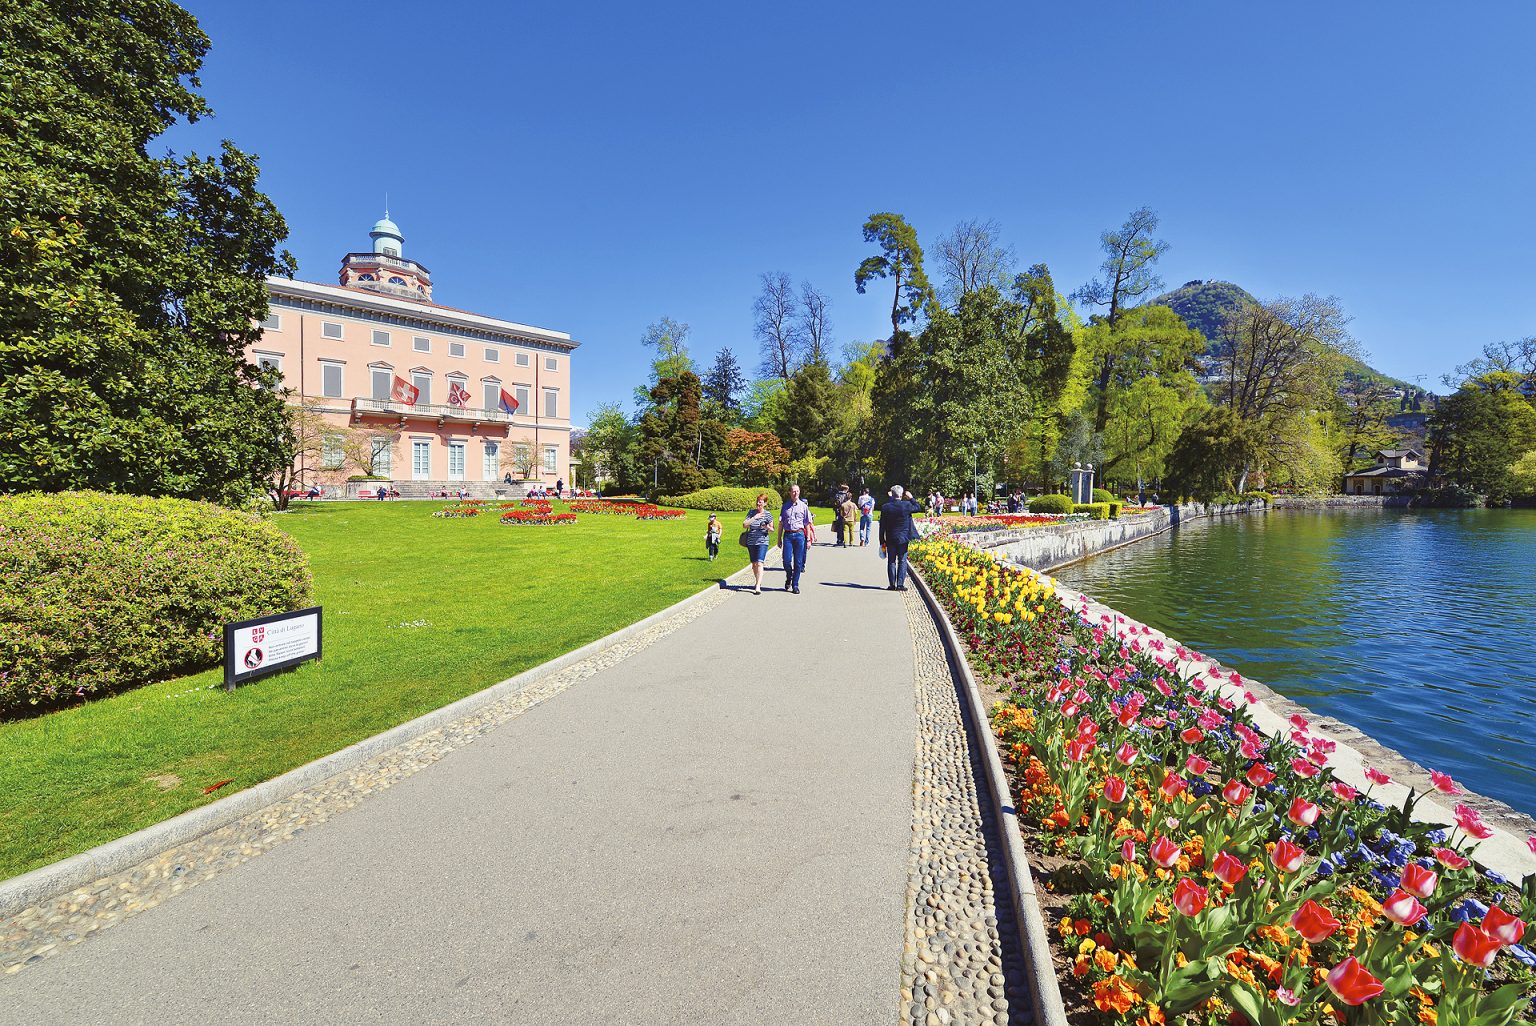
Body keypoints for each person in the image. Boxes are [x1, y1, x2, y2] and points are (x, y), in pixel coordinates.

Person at [880, 484, 923, 591]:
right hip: (903, 537)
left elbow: (882, 526)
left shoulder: (886, 507)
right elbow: (918, 508)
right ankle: (900, 584)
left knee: (891, 561)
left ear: (892, 494)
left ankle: (891, 584)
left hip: (890, 537)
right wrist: (911, 497)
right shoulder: (907, 505)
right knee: (902, 561)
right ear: (902, 494)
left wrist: (882, 540)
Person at [777, 484, 811, 594]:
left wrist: (809, 539)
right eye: (793, 491)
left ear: (799, 492)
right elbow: (781, 523)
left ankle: (795, 585)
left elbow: (807, 524)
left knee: (798, 562)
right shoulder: (785, 506)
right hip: (788, 536)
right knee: (786, 561)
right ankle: (789, 576)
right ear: (790, 493)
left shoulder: (804, 506)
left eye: (797, 491)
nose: (795, 493)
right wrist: (779, 539)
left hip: (800, 535)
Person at [742, 494, 774, 595]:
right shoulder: (751, 512)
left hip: (762, 541)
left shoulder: (768, 514)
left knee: (760, 563)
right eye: (758, 501)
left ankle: (758, 586)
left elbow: (772, 529)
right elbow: (744, 525)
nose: (758, 503)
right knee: (754, 564)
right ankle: (757, 581)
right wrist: (754, 518)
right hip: (751, 541)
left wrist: (767, 527)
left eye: (760, 501)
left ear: (765, 503)